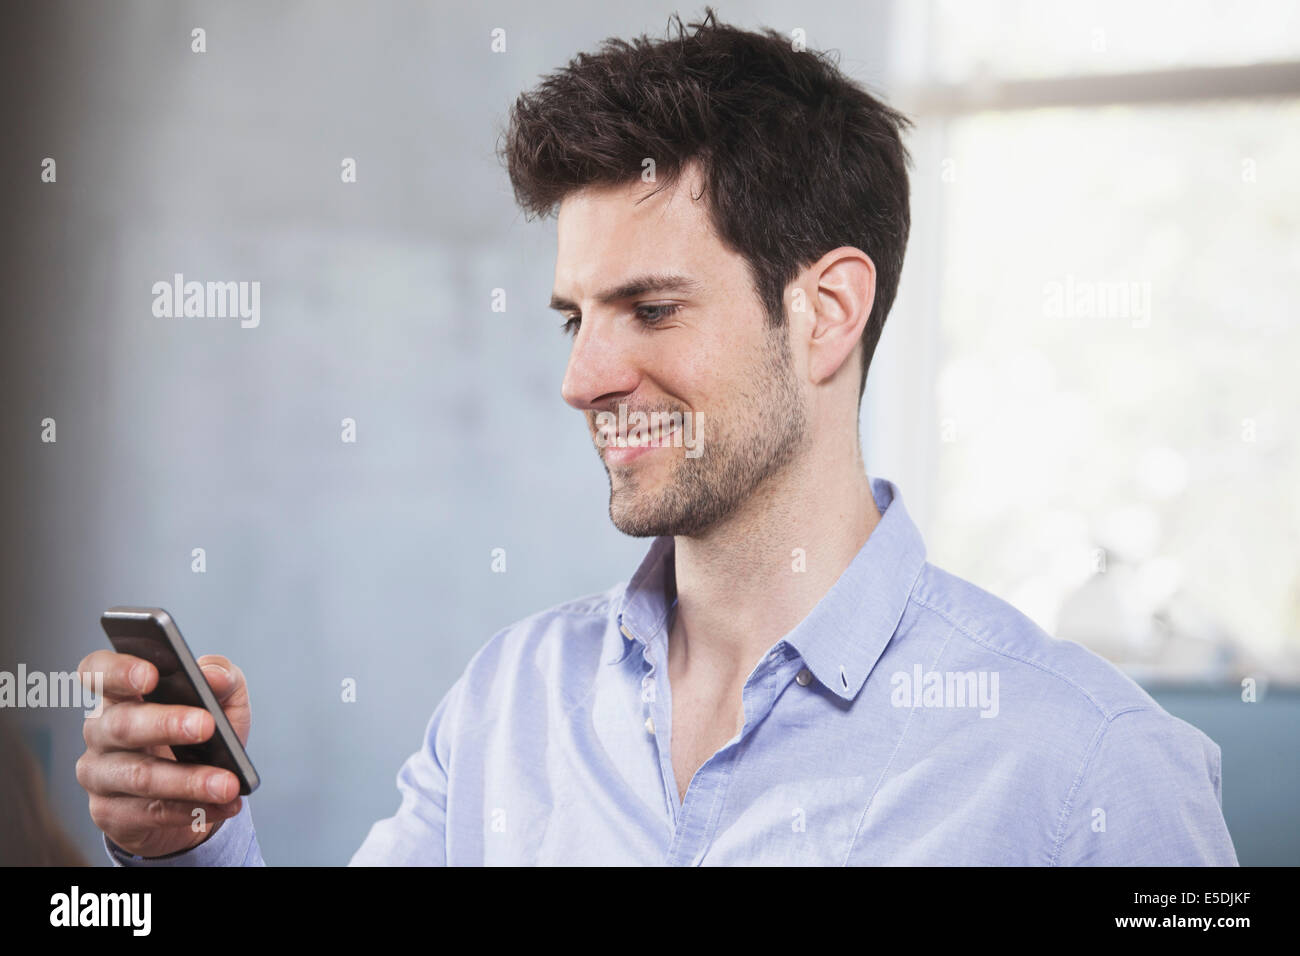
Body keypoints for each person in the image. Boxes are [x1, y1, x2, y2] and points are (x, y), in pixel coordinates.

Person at [78, 9, 1237, 866]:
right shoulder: (508, 703)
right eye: (574, 317)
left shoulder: (1091, 768)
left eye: (651, 308)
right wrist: (186, 845)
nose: (584, 377)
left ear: (824, 310)